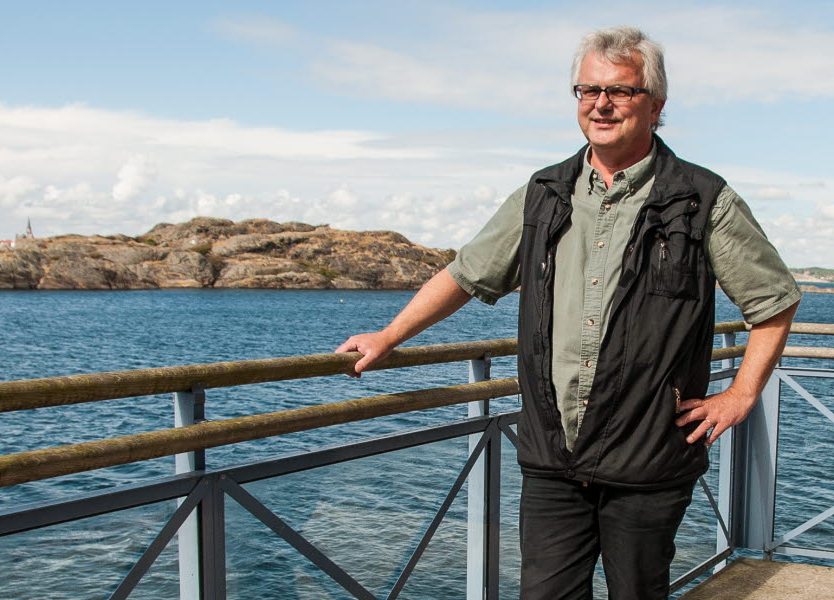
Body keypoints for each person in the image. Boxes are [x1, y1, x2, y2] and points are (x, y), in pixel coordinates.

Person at [336, 25, 801, 600]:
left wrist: (742, 394)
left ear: (655, 106)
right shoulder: (544, 194)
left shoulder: (701, 199)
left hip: (648, 457)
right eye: (587, 90)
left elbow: (773, 302)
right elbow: (465, 274)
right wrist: (389, 336)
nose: (601, 104)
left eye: (619, 91)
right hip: (553, 455)